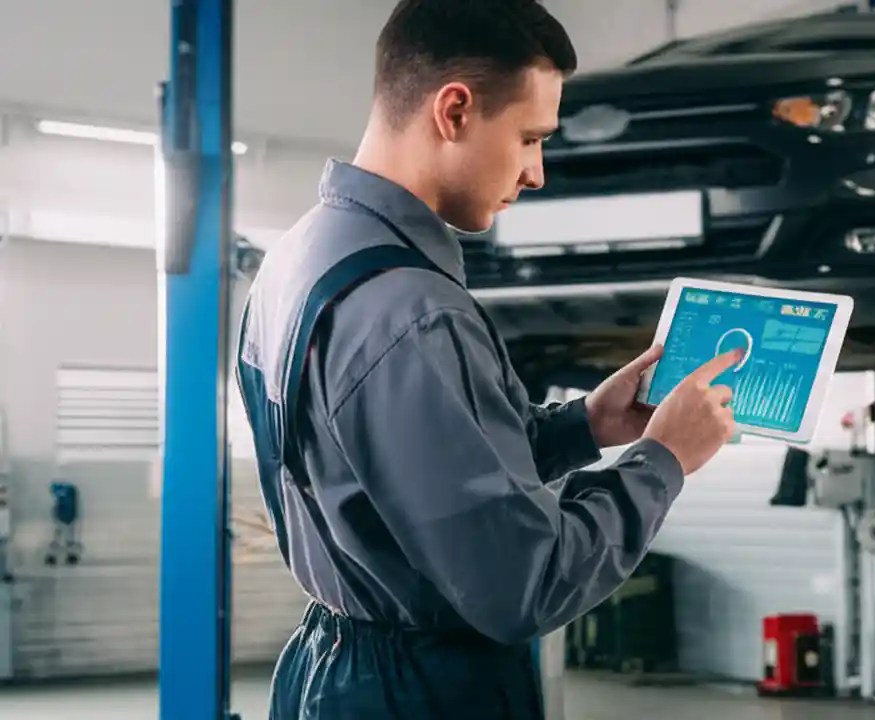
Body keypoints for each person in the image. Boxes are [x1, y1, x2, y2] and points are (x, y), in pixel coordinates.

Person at [233, 1, 741, 718]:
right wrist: (665, 459)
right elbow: (523, 585)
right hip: (422, 694)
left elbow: (403, 474)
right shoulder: (411, 309)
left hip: (332, 665)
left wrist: (584, 426)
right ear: (455, 111)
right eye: (530, 138)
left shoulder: (302, 256)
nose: (537, 172)